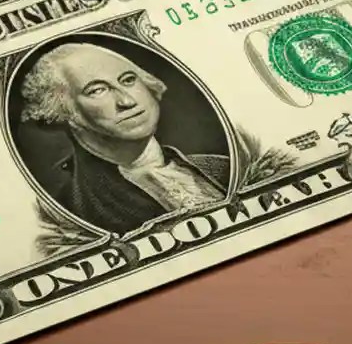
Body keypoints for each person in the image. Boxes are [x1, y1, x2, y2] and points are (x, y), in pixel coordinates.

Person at [20, 42, 229, 234]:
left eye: (128, 80)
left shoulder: (222, 168)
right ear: (63, 111)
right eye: (97, 90)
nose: (127, 101)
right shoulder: (69, 215)